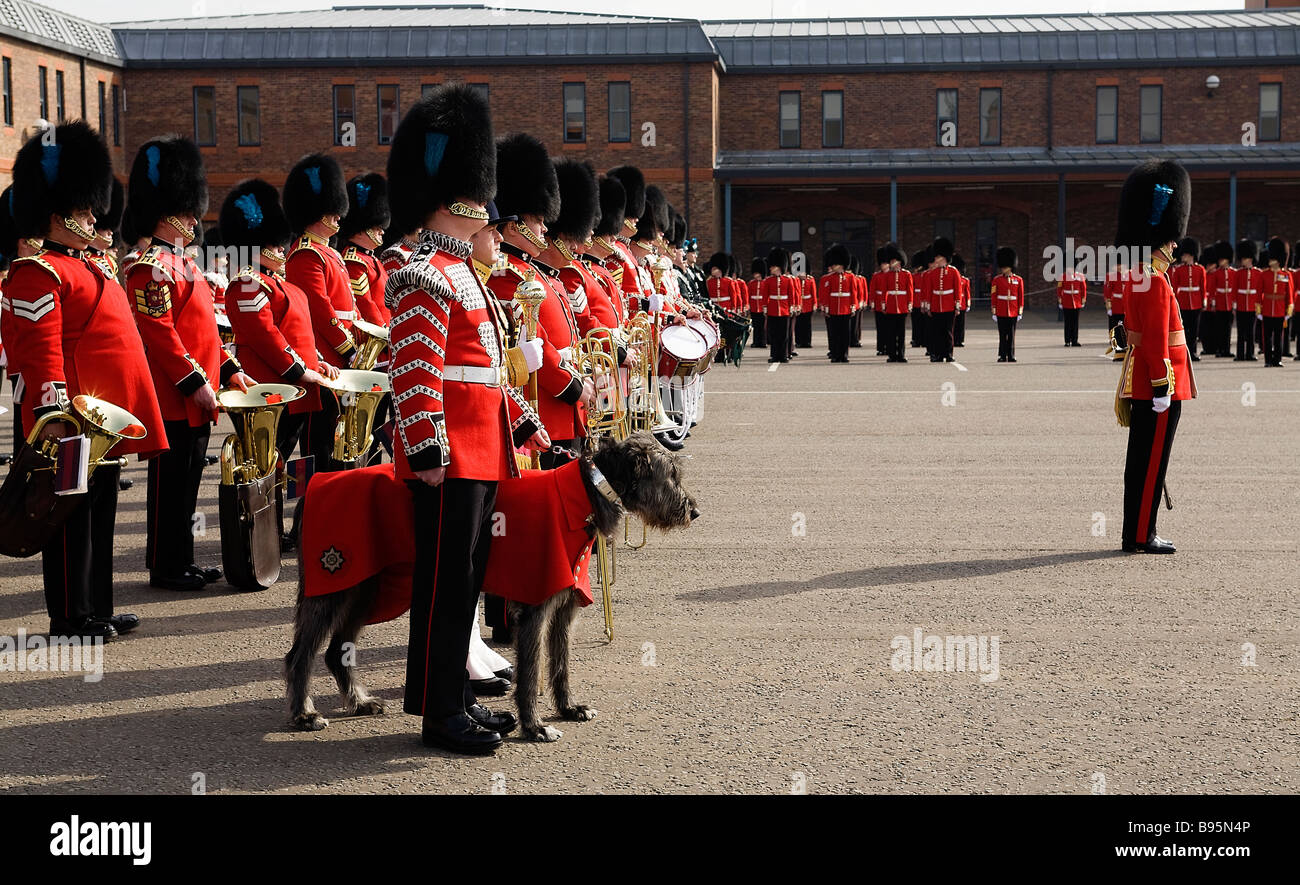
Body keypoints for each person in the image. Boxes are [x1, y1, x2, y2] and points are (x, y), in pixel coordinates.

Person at [385, 85, 549, 753]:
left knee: (466, 582)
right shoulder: (426, 274)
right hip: (449, 456)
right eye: (479, 195)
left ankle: (454, 696)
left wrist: (522, 422)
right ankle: (435, 710)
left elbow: (484, 371)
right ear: (457, 197)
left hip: (480, 450)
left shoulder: (463, 275)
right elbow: (414, 373)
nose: (489, 207)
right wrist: (425, 448)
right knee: (444, 585)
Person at [3, 121, 167, 638]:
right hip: (71, 418)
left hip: (102, 418)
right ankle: (70, 616)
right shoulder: (37, 272)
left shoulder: (90, 264)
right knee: (69, 519)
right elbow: (39, 352)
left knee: (99, 514)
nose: (94, 218)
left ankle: (96, 605)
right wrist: (53, 418)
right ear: (57, 215)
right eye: (83, 210)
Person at [124, 135, 254, 591]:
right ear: (168, 214)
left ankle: (182, 558)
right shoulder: (149, 267)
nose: (195, 221)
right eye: (187, 213)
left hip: (197, 394)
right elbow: (159, 334)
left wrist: (229, 370)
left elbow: (204, 333)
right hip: (172, 396)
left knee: (189, 482)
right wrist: (195, 381)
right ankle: (164, 565)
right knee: (169, 487)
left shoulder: (186, 266)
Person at [1115, 159, 1195, 554]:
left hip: (1147, 381)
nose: (1174, 246)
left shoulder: (1139, 275)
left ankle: (1138, 530)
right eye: (1170, 241)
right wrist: (1164, 384)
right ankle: (1142, 534)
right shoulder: (1155, 282)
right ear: (1160, 240)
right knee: (1151, 463)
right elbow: (1155, 343)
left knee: (1143, 460)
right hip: (1159, 385)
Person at [339, 173, 392, 327]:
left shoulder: (372, 259)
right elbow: (365, 304)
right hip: (377, 336)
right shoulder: (354, 261)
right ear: (361, 229)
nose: (382, 231)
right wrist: (384, 332)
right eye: (376, 227)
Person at [919, 237, 958, 363]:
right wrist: (928, 306)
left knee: (948, 332)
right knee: (937, 332)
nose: (935, 259)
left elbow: (957, 290)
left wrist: (957, 305)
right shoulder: (932, 274)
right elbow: (929, 291)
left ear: (943, 257)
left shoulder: (953, 272)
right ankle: (938, 354)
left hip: (949, 305)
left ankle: (949, 353)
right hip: (936, 305)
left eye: (937, 257)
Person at [1168, 237, 1205, 363]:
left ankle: (1193, 351)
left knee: (1194, 330)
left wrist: (1203, 301)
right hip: (1182, 303)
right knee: (1183, 329)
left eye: (1185, 254)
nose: (1182, 256)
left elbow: (1202, 287)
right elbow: (1175, 287)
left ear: (1191, 255)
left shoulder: (1200, 269)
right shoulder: (1178, 270)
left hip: (1196, 303)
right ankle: (1183, 352)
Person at [874, 243, 912, 363]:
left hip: (902, 306)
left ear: (900, 262)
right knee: (891, 332)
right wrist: (884, 305)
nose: (892, 264)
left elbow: (909, 291)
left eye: (894, 261)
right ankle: (892, 355)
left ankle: (900, 354)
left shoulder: (906, 274)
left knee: (901, 333)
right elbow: (885, 291)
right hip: (890, 306)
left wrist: (909, 304)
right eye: (891, 262)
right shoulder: (887, 275)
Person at [1259, 237, 1293, 367]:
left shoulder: (1285, 275)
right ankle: (1268, 360)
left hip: (1279, 310)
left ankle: (1277, 359)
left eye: (1273, 258)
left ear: (1278, 260)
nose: (1271, 261)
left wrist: (1288, 310)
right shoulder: (1264, 275)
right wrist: (1259, 310)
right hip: (1267, 309)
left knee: (1279, 337)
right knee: (1267, 338)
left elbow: (1288, 294)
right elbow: (1259, 293)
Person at [819, 243, 855, 363]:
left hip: (845, 308)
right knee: (834, 334)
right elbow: (825, 295)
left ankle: (843, 355)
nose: (832, 266)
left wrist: (853, 306)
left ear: (841, 264)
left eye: (835, 264)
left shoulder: (850, 277)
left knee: (845, 334)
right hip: (833, 308)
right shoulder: (828, 278)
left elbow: (853, 293)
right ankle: (835, 354)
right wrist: (825, 307)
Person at [761, 247, 797, 363]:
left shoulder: (788, 280)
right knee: (774, 335)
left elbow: (791, 294)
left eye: (772, 266)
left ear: (778, 267)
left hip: (785, 309)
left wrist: (792, 307)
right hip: (772, 309)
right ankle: (775, 355)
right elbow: (765, 295)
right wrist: (765, 307)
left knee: (784, 335)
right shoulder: (768, 280)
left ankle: (784, 355)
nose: (770, 268)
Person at [991, 247, 1025, 362]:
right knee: (1002, 335)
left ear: (1011, 266)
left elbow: (1020, 297)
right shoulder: (996, 280)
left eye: (1005, 267)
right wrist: (994, 311)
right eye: (1002, 267)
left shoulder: (1018, 280)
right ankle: (1002, 355)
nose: (1003, 269)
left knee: (1011, 335)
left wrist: (1020, 311)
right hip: (1001, 310)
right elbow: (994, 296)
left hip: (1014, 310)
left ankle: (1011, 355)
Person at [1232, 238, 1262, 362]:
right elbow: (1235, 289)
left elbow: (1260, 291)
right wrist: (1234, 305)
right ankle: (1240, 354)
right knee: (1241, 332)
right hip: (1241, 305)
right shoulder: (1238, 273)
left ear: (1250, 258)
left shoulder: (1258, 273)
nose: (1242, 261)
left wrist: (1259, 306)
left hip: (1252, 305)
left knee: (1251, 332)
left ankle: (1250, 354)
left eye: (1244, 258)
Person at [1206, 240, 1235, 358]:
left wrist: (1234, 304)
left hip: (1229, 303)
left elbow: (1234, 289)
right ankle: (1219, 349)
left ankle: (1226, 349)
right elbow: (1212, 290)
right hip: (1219, 303)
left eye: (1222, 259)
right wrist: (1212, 304)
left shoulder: (1233, 273)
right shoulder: (1216, 273)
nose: (1220, 261)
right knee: (1219, 328)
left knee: (1228, 329)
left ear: (1227, 259)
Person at [1057, 264, 1087, 347]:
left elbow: (1083, 288)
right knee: (1067, 323)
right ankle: (1067, 341)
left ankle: (1074, 340)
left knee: (1075, 322)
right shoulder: (1062, 276)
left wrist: (1083, 299)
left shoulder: (1080, 276)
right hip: (1066, 302)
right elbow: (1059, 289)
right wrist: (1060, 300)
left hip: (1076, 302)